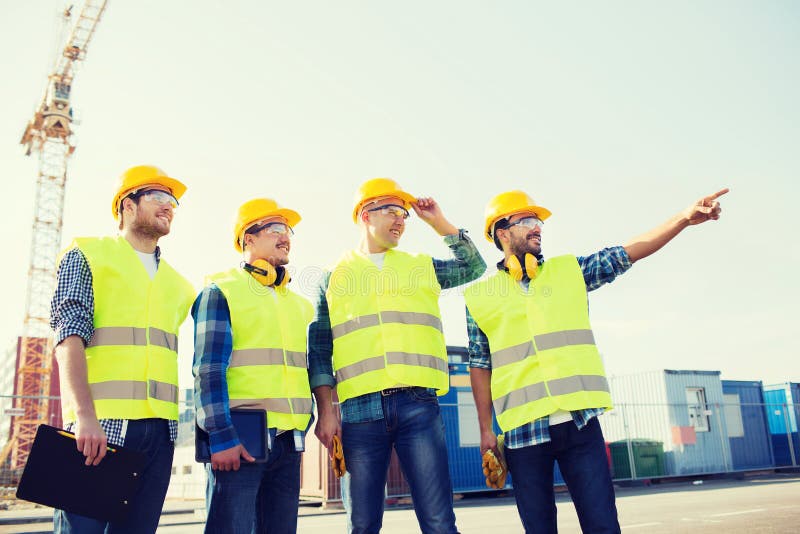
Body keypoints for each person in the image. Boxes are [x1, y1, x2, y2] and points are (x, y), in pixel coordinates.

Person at [465, 188, 728, 534]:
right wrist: (486, 431)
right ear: (502, 233)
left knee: (603, 525)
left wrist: (683, 219)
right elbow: (479, 364)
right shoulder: (479, 298)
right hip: (522, 433)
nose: (537, 227)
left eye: (539, 221)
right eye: (527, 220)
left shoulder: (570, 272)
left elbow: (627, 252)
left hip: (579, 423)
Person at [309, 178, 486, 534]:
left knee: (438, 520)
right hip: (359, 412)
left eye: (403, 214)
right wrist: (326, 412)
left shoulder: (421, 265)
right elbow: (320, 352)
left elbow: (474, 267)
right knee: (361, 524)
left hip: (417, 404)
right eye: (390, 211)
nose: (400, 220)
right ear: (364, 214)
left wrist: (438, 223)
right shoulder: (331, 278)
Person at [50, 165, 195, 533]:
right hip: (101, 426)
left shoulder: (179, 286)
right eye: (159, 197)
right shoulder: (87, 256)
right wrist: (83, 416)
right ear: (127, 205)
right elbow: (68, 336)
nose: (170, 207)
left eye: (173, 201)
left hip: (161, 435)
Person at [193, 198, 314, 534]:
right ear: (248, 238)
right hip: (240, 443)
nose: (286, 236)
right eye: (275, 228)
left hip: (288, 444)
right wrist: (220, 436)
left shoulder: (299, 306)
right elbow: (207, 369)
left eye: (287, 230)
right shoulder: (222, 292)